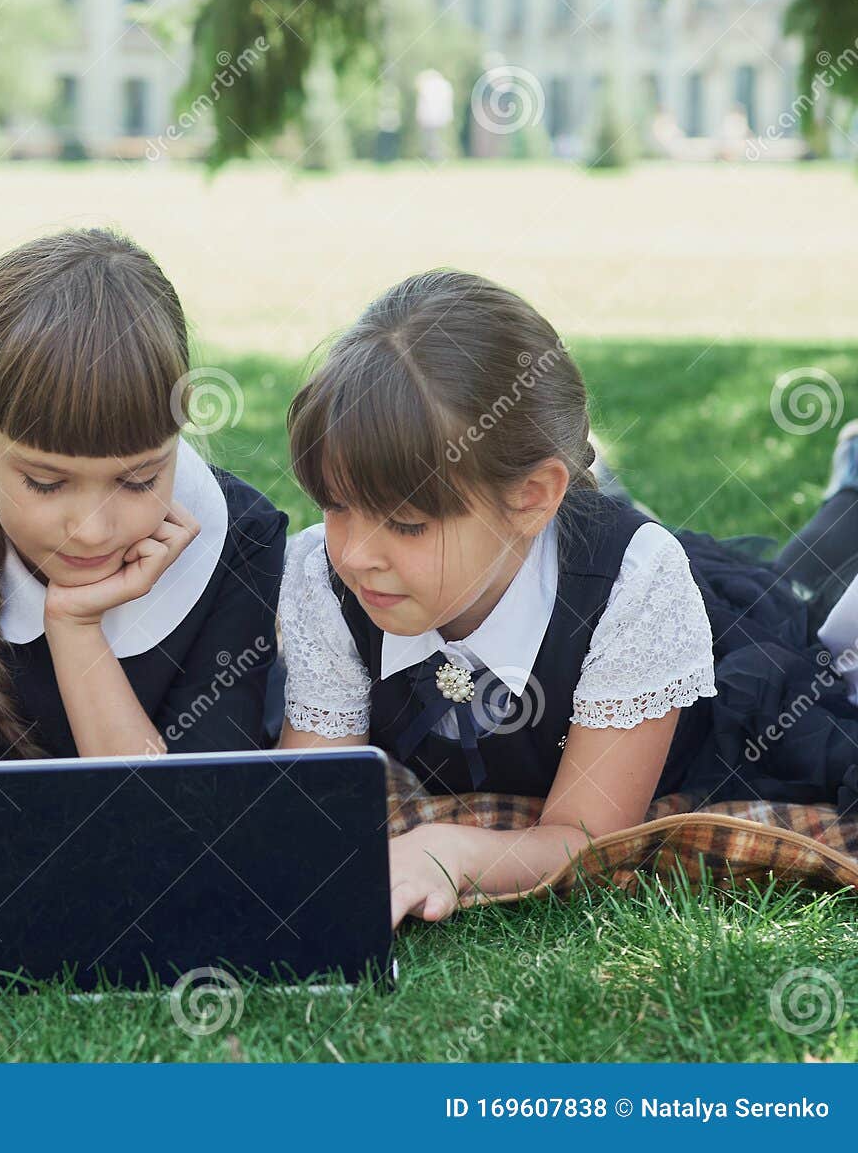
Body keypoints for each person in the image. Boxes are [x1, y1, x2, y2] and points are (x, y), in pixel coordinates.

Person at [277, 269, 858, 929]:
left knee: (820, 608)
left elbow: (585, 837)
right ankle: (591, 487)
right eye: (335, 505)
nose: (354, 553)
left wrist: (448, 848)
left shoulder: (635, 589)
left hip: (718, 653)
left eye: (406, 524)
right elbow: (308, 801)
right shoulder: (322, 573)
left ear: (528, 499)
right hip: (544, 533)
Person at [0, 228, 289, 787]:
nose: (92, 531)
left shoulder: (241, 540)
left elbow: (185, 824)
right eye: (46, 483)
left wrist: (76, 630)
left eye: (137, 480)